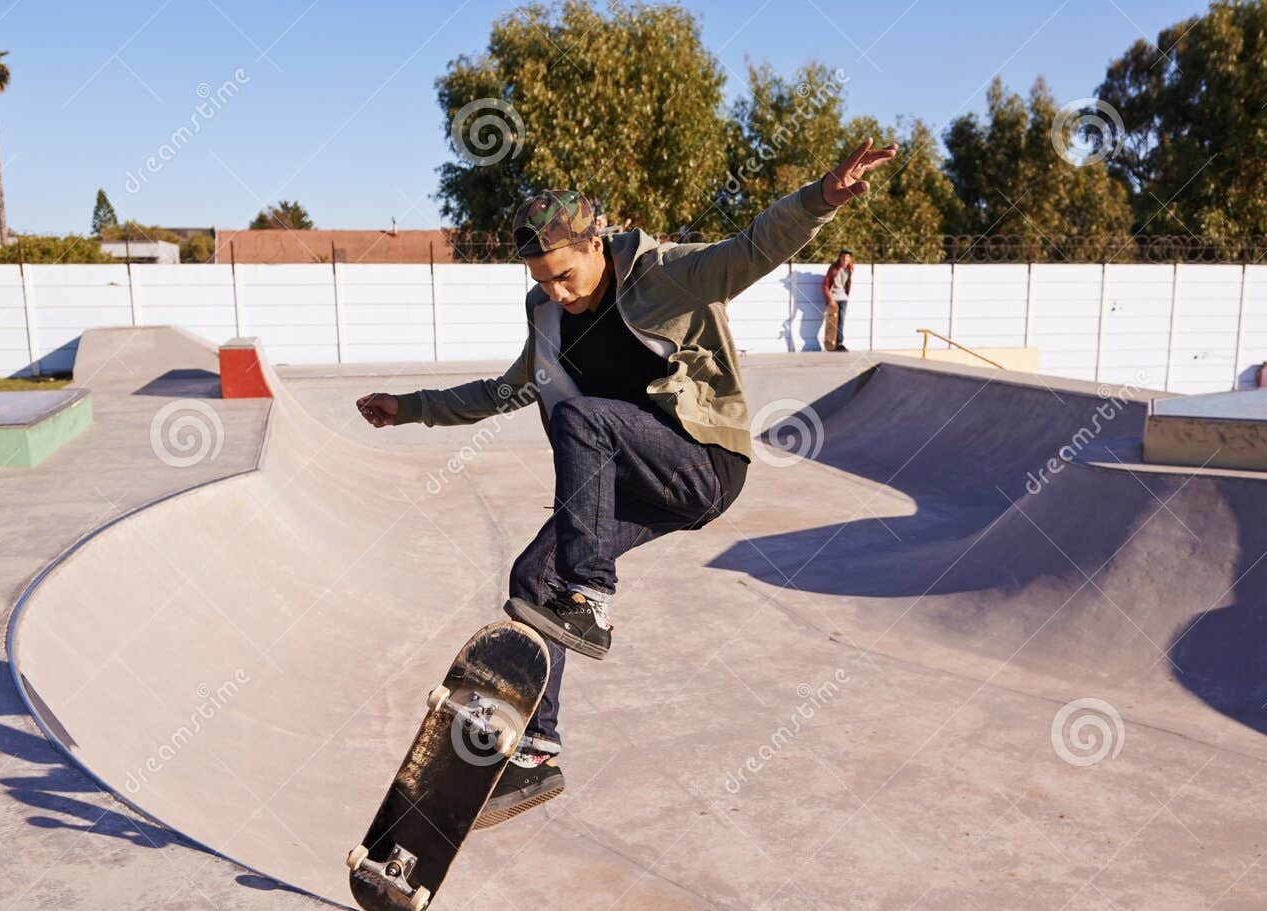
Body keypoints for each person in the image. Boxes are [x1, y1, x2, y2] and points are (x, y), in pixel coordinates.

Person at [357, 139, 896, 827]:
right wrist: (410, 408)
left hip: (703, 465)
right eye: (541, 281)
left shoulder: (666, 276)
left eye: (564, 276)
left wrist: (820, 198)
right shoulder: (547, 315)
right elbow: (504, 391)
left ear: (595, 245)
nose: (557, 293)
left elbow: (753, 249)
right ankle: (536, 754)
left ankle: (592, 598)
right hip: (632, 479)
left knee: (583, 421)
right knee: (532, 580)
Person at [822, 249, 855, 352]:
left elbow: (848, 283)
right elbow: (825, 284)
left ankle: (839, 344)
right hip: (833, 298)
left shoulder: (850, 269)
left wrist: (846, 295)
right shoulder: (834, 268)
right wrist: (829, 299)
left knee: (841, 321)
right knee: (831, 323)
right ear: (840, 257)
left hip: (843, 298)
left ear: (850, 259)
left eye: (847, 257)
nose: (845, 259)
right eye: (843, 257)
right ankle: (830, 343)